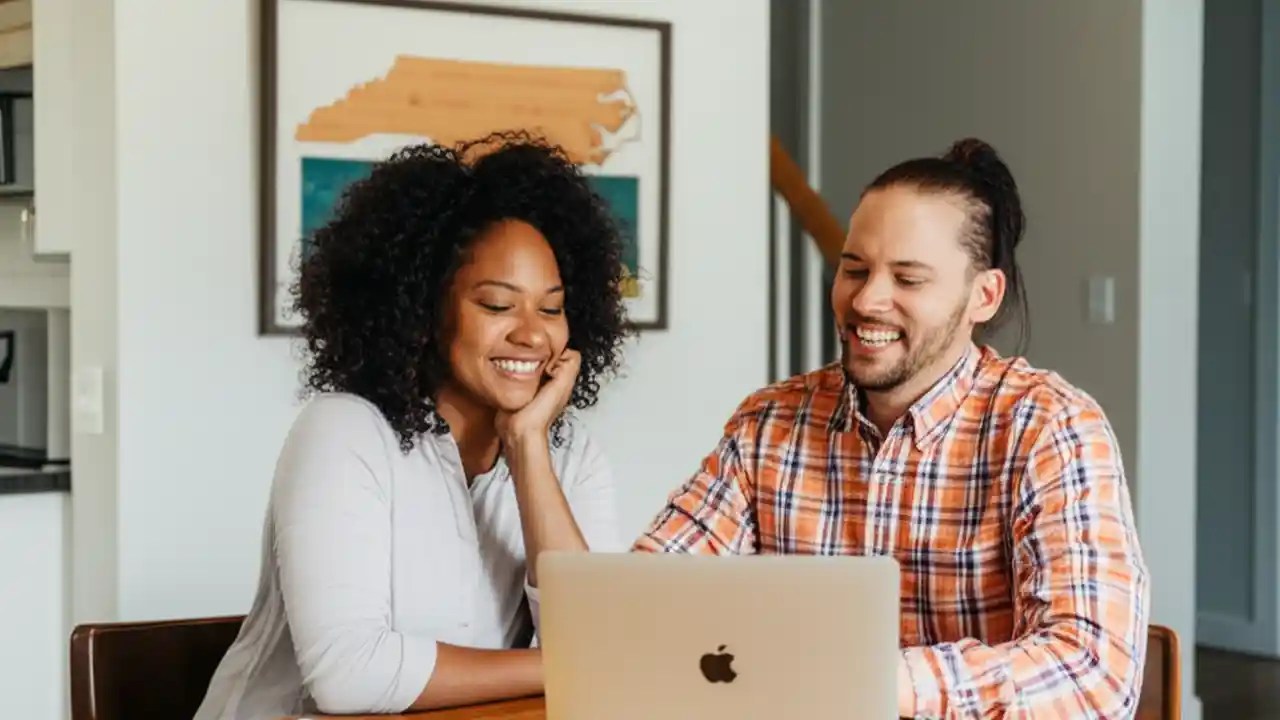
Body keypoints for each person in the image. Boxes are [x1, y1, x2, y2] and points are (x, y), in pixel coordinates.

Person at [633, 139, 1150, 718]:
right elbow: (650, 596)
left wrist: (868, 681)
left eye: (908, 279)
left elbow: (1092, 677)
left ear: (983, 295)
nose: (867, 299)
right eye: (854, 268)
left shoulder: (1050, 427)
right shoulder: (769, 422)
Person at [195, 132, 631, 719]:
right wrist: (570, 663)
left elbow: (601, 641)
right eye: (498, 306)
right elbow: (348, 677)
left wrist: (527, 447)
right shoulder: (345, 433)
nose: (532, 333)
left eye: (550, 308)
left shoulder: (570, 455)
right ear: (425, 310)